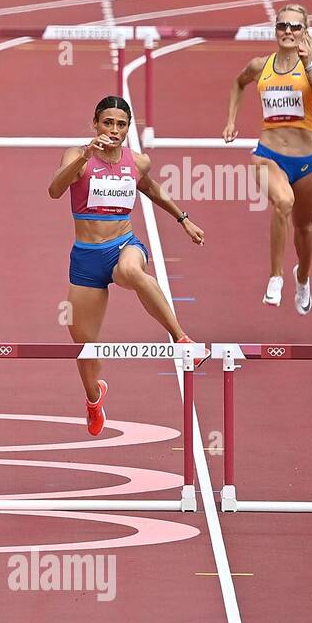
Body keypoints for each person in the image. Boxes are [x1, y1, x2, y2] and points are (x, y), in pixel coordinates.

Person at [48, 96, 205, 436]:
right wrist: (86, 156)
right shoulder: (77, 155)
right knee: (85, 348)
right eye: (108, 123)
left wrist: (184, 219)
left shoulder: (138, 162)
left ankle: (181, 340)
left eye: (121, 125)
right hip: (87, 258)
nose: (114, 130)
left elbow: (152, 189)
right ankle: (93, 399)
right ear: (96, 124)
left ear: (128, 128)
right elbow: (54, 190)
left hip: (123, 246)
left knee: (133, 272)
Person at [223, 3, 312, 314]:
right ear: (275, 30)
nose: (288, 31)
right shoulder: (261, 65)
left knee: (305, 229)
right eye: (282, 26)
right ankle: (276, 277)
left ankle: (303, 277)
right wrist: (231, 121)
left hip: (306, 161)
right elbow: (237, 83)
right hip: (268, 155)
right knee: (282, 202)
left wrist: (309, 65)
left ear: (305, 33)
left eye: (295, 27)